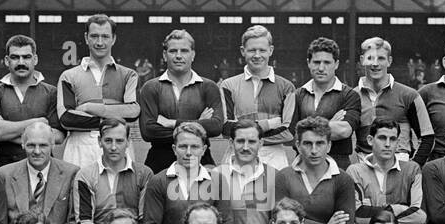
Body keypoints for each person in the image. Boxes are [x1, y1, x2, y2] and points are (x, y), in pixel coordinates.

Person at [140, 121, 233, 224]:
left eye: (195, 147)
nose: (188, 152)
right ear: (174, 148)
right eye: (183, 146)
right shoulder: (158, 181)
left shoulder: (218, 181)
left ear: (203, 149)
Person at [57, 14, 140, 173]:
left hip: (117, 145)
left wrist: (88, 107)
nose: (100, 42)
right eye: (94, 36)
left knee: (119, 196)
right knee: (79, 195)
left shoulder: (128, 74)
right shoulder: (69, 76)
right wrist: (116, 112)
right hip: (79, 147)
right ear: (86, 38)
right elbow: (66, 118)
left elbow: (133, 112)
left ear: (113, 39)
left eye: (105, 36)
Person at [274, 116, 354, 224]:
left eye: (320, 143)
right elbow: (281, 223)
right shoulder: (284, 176)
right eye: (308, 143)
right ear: (297, 145)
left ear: (329, 145)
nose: (314, 150)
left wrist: (298, 221)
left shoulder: (343, 179)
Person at [138, 29, 224, 172]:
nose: (178, 56)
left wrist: (172, 123)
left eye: (184, 51)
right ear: (165, 55)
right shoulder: (150, 87)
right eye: (173, 51)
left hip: (200, 161)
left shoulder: (209, 87)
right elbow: (148, 131)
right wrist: (198, 124)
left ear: (193, 55)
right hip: (159, 162)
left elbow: (215, 127)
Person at [71, 117, 153, 224]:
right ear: (99, 141)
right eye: (108, 140)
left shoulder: (144, 174)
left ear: (128, 142)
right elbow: (84, 221)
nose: (114, 147)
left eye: (120, 141)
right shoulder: (85, 175)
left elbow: (146, 219)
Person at [0, 34, 61, 172]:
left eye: (26, 57)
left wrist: (5, 130)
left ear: (35, 59)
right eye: (15, 57)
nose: (21, 62)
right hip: (3, 167)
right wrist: (38, 122)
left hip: (44, 169)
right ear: (7, 60)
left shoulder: (52, 93)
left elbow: (58, 136)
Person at [219, 25, 297, 169]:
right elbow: (225, 129)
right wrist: (270, 123)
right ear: (243, 51)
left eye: (262, 50)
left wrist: (244, 133)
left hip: (274, 160)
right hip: (237, 158)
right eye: (251, 50)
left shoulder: (287, 87)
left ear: (271, 51)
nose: (257, 55)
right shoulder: (228, 85)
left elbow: (289, 133)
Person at [0, 121, 79, 224]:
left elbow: (75, 219)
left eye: (43, 145)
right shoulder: (4, 175)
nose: (37, 151)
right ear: (23, 145)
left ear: (52, 145)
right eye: (31, 145)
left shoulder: (71, 173)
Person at [354, 36, 435, 163]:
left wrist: (412, 168)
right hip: (364, 168)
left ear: (389, 61)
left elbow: (427, 137)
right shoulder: (351, 96)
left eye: (381, 58)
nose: (375, 64)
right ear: (362, 60)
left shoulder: (409, 95)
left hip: (399, 164)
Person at [283, 37, 362, 166]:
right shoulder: (297, 95)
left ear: (336, 64)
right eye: (316, 62)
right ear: (308, 62)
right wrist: (330, 124)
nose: (321, 68)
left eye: (327, 62)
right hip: (303, 164)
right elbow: (290, 136)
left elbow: (344, 131)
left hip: (338, 165)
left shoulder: (350, 95)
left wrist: (306, 130)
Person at [346, 118, 425, 224]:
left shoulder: (412, 169)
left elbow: (419, 215)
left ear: (398, 142)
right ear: (370, 140)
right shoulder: (355, 171)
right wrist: (397, 208)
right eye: (382, 138)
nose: (388, 144)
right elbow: (359, 215)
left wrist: (372, 212)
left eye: (392, 139)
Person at [217, 115, 281, 224]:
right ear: (231, 143)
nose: (245, 147)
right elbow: (210, 217)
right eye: (240, 141)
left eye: (251, 142)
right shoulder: (217, 175)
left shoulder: (275, 175)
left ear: (261, 143)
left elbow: (281, 215)